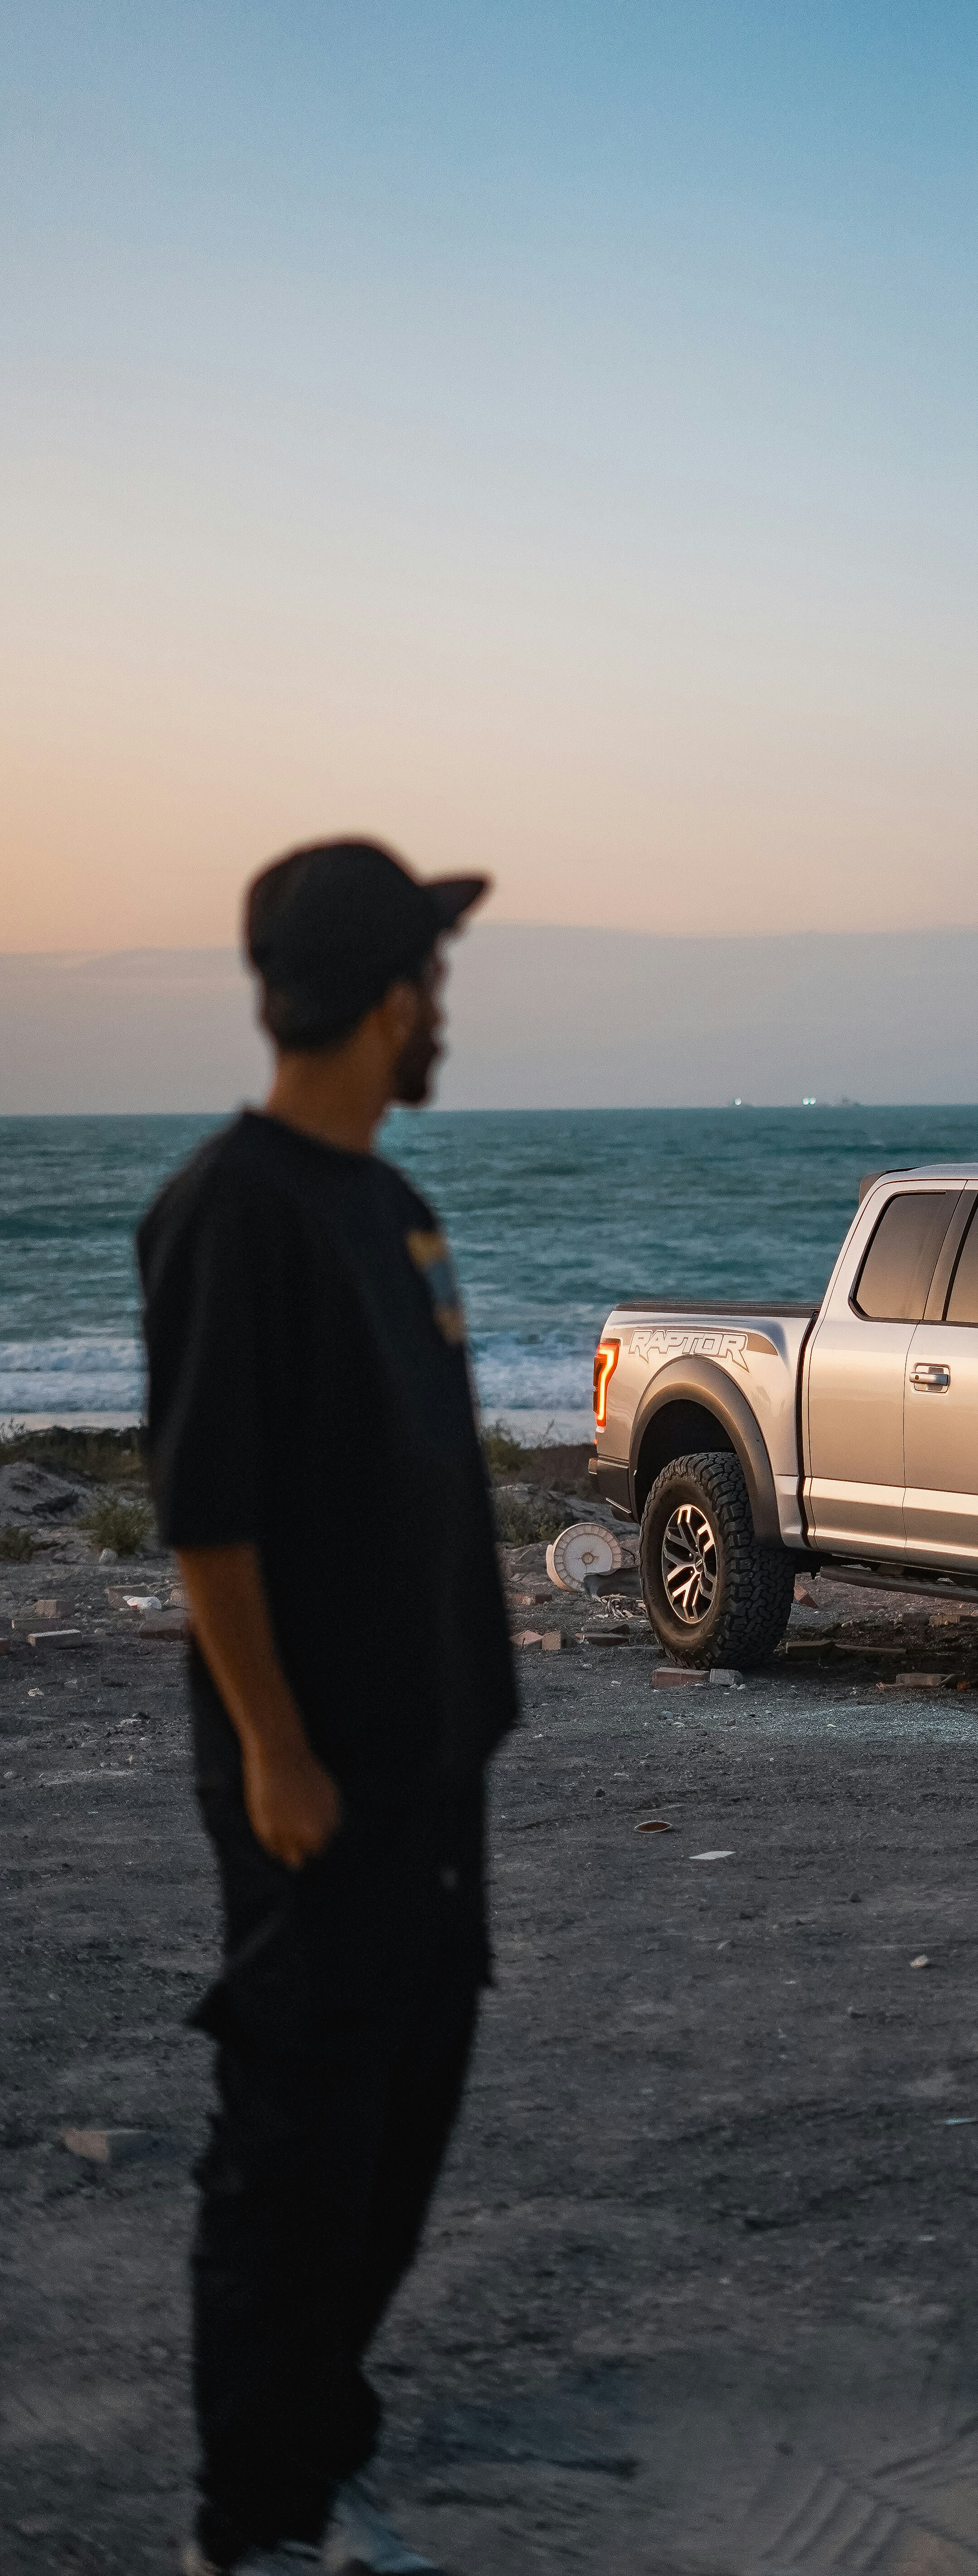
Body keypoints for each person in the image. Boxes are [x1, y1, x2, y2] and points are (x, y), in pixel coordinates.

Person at [138, 840, 518, 2576]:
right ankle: (253, 2525)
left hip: (437, 1767)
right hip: (318, 1783)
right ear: (383, 1001)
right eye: (431, 977)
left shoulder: (391, 1206)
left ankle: (319, 2441)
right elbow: (207, 1514)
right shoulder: (237, 1213)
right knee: (295, 2150)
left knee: (399, 2127)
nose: (445, 1007)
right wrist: (278, 1749)